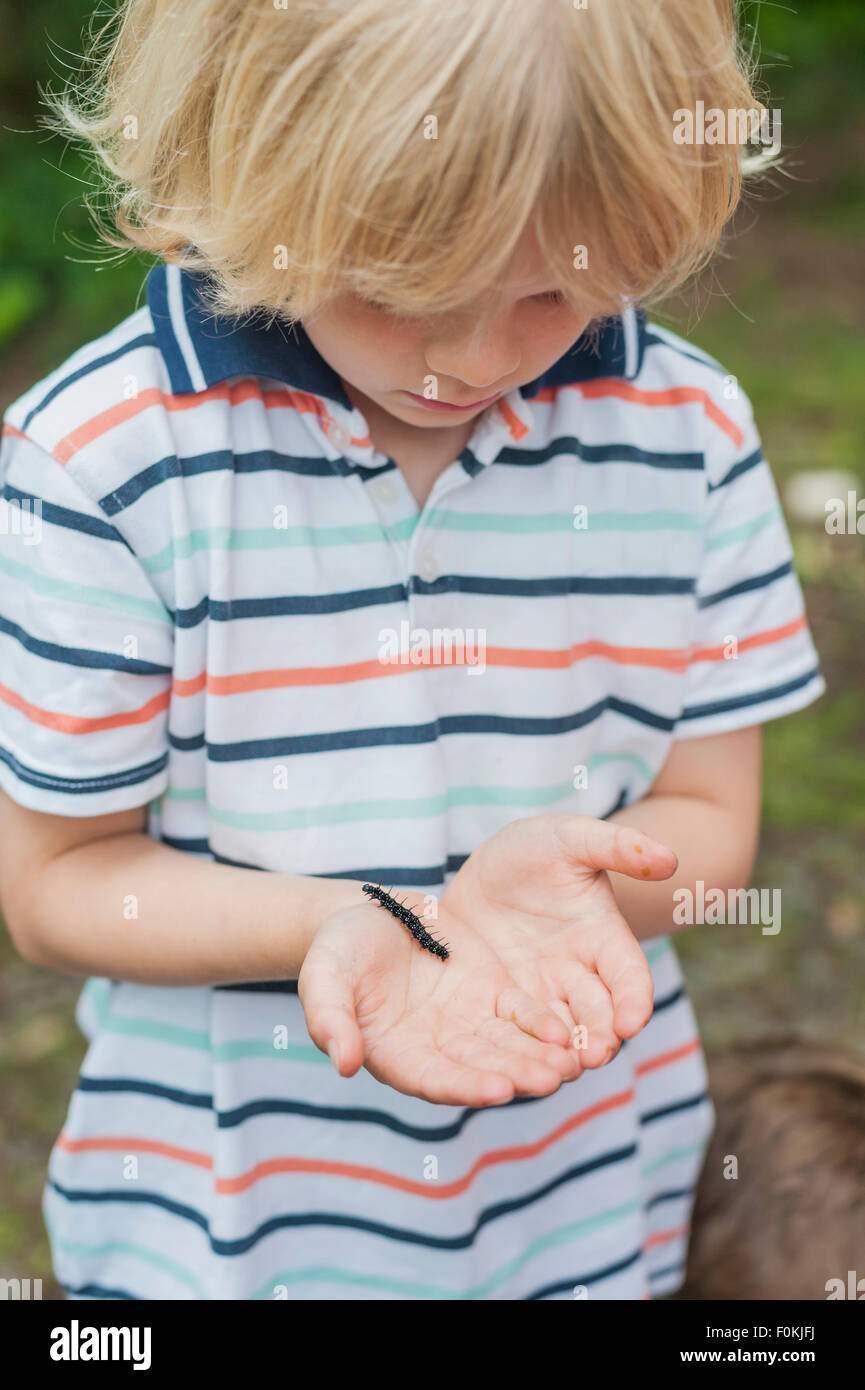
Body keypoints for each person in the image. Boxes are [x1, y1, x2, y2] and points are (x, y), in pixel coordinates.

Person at [0, 0, 822, 1300]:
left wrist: (553, 913)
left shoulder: (686, 433)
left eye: (555, 289)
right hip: (222, 1230)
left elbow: (712, 813)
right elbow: (56, 882)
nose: (469, 357)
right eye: (397, 290)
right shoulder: (102, 461)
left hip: (579, 1204)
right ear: (247, 166)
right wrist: (350, 922)